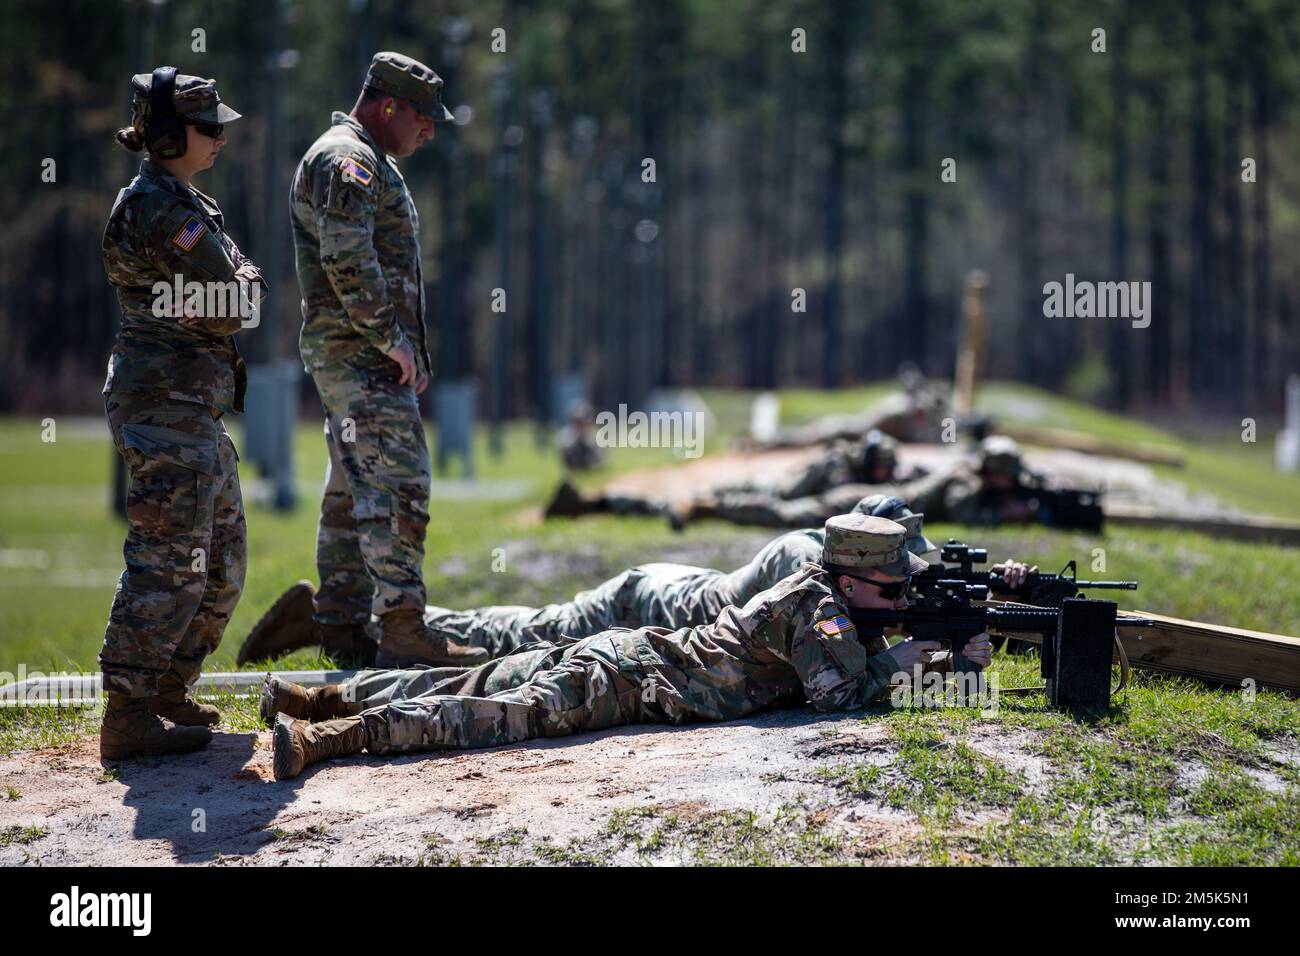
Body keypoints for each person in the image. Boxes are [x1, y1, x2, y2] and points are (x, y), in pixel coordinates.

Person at [266, 514, 997, 780]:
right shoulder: (821, 611)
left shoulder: (819, 592)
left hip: (627, 655)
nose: (900, 602)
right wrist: (911, 667)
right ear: (852, 579)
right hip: (622, 681)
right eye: (891, 592)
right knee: (483, 714)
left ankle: (321, 694)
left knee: (474, 680)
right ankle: (330, 737)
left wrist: (909, 642)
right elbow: (836, 697)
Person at [238, 493, 935, 664]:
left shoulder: (839, 562)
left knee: (522, 629)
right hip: (641, 604)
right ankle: (341, 622)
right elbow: (834, 650)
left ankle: (352, 627)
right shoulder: (802, 560)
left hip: (664, 596)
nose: (904, 584)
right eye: (898, 575)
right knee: (521, 634)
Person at [291, 52, 484, 669]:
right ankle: (401, 626)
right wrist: (390, 339)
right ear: (388, 106)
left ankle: (344, 627)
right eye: (423, 117)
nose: (430, 129)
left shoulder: (370, 160)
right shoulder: (346, 159)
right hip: (360, 355)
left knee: (353, 490)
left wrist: (408, 347)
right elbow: (348, 258)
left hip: (358, 354)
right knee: (400, 483)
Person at [99, 67, 265, 760]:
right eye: (208, 127)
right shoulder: (159, 212)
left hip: (194, 408)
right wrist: (238, 286)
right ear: (168, 136)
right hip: (164, 407)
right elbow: (242, 300)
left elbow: (234, 297)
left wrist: (234, 289)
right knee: (168, 562)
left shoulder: (185, 203)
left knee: (222, 561)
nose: (221, 137)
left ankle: (168, 687)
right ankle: (128, 711)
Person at [558, 401, 605, 471]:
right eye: (579, 422)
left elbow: (602, 457)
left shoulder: (593, 435)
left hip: (590, 465)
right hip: (574, 464)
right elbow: (565, 452)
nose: (582, 425)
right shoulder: (567, 434)